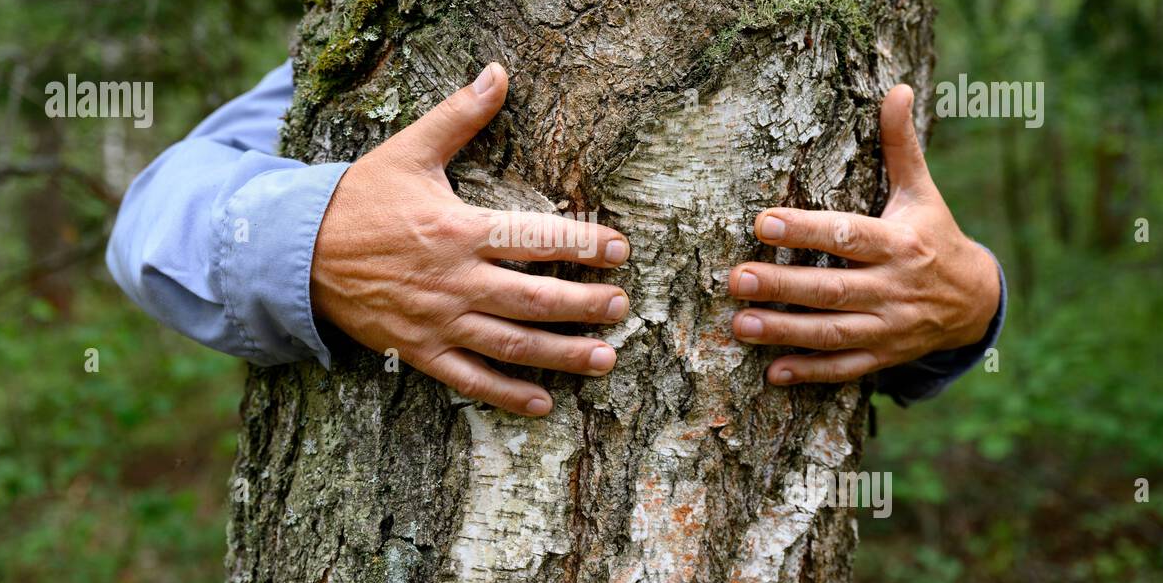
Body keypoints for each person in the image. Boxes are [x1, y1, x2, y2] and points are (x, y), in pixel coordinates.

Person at [107, 60, 1005, 417]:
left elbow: (925, 248)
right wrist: (313, 240)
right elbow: (156, 206)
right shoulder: (390, 3)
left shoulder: (838, 7)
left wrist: (971, 303)